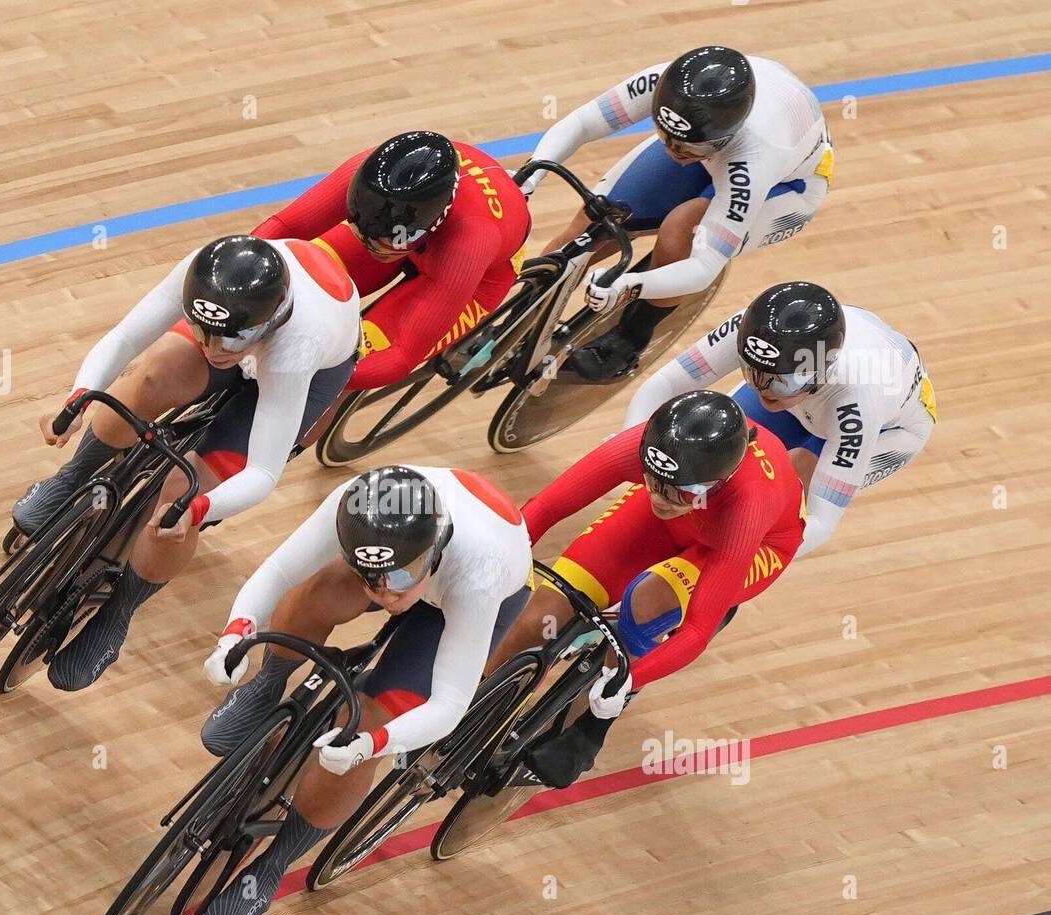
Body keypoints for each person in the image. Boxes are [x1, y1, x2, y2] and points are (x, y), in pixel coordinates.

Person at [10, 233, 361, 690]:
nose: (216, 347)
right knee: (150, 379)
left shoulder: (297, 344)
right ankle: (72, 477)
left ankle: (119, 613)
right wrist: (78, 397)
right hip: (252, 324)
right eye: (204, 329)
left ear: (271, 319)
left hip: (306, 371)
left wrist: (197, 510)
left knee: (183, 487)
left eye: (232, 338)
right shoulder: (204, 274)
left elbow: (264, 473)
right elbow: (124, 338)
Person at [195, 464, 532, 915]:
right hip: (412, 562)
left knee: (370, 717)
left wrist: (373, 743)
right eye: (372, 578)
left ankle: (275, 862)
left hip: (469, 596)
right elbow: (278, 570)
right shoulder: (354, 508)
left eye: (401, 576)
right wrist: (235, 633)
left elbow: (451, 703)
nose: (386, 593)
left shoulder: (478, 573)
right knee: (319, 588)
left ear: (433, 552)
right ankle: (268, 685)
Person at [485, 390, 806, 787]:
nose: (658, 497)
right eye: (652, 481)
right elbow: (546, 508)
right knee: (541, 615)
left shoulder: (747, 504)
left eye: (676, 492)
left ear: (716, 483)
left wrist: (627, 683)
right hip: (678, 523)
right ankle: (471, 706)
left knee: (647, 603)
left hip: (754, 545)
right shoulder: (654, 459)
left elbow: (697, 632)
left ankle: (576, 728)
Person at [523, 46, 833, 381]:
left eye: (690, 146)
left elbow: (703, 267)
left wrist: (630, 285)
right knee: (595, 221)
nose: (675, 151)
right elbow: (583, 123)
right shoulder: (668, 83)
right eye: (665, 135)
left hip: (789, 186)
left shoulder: (755, 158)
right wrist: (530, 176)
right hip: (722, 143)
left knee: (681, 228)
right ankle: (523, 315)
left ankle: (630, 338)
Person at [623, 281, 937, 555]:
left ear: (820, 374)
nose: (764, 389)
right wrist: (633, 451)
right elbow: (665, 385)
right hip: (812, 402)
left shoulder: (858, 404)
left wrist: (731, 556)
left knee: (776, 493)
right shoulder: (756, 330)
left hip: (891, 430)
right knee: (711, 444)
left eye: (781, 381)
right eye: (752, 372)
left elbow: (820, 522)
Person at [251, 131, 532, 390]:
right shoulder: (371, 180)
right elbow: (284, 229)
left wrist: (311, 372)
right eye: (357, 225)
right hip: (408, 235)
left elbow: (401, 356)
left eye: (383, 241)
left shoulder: (470, 243)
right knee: (296, 277)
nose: (369, 242)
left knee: (351, 360)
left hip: (477, 274)